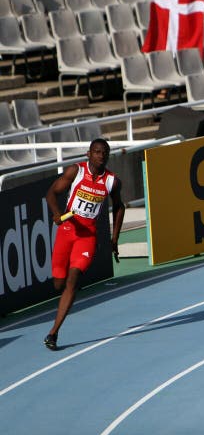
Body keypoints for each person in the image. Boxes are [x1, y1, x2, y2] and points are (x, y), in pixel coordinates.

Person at [44, 139, 125, 350]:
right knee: (58, 284)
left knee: (73, 279)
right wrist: (57, 214)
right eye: (97, 152)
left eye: (104, 153)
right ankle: (62, 299)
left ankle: (53, 333)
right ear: (89, 154)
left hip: (87, 237)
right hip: (67, 232)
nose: (101, 156)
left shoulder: (112, 182)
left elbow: (119, 207)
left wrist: (114, 238)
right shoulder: (75, 171)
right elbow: (51, 193)